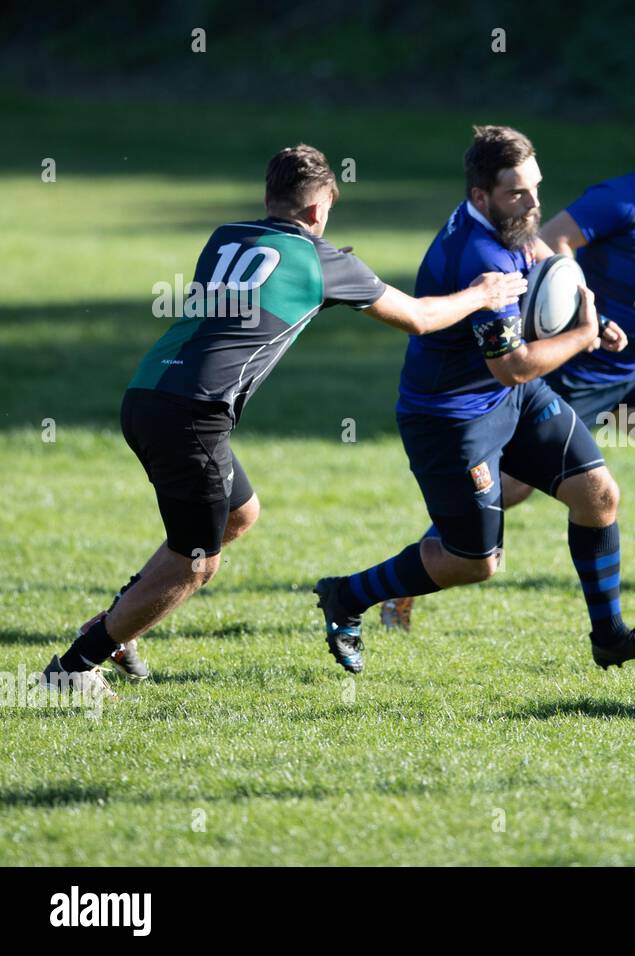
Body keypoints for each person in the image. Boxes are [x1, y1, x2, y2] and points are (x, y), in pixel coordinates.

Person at [39, 144, 525, 697]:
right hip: (193, 415)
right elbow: (418, 317)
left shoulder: (225, 236)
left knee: (239, 514)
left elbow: (263, 283)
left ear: (269, 198)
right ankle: (75, 667)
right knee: (196, 563)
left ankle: (118, 625)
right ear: (319, 213)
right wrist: (482, 293)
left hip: (148, 394)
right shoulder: (325, 262)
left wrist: (330, 269)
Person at [313, 126, 635, 674]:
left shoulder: (504, 222)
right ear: (480, 196)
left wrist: (594, 317)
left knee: (598, 495)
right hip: (451, 420)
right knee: (475, 561)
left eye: (536, 188)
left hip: (511, 400)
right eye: (518, 193)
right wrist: (582, 337)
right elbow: (511, 366)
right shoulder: (480, 257)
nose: (533, 202)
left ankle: (609, 637)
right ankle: (346, 595)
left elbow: (538, 253)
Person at [380, 116, 635, 633]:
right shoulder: (620, 200)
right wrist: (578, 315)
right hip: (578, 376)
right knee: (508, 490)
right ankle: (404, 585)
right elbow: (551, 243)